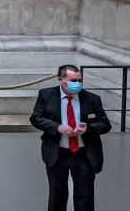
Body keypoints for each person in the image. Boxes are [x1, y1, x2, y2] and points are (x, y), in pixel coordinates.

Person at [30, 64, 111, 211]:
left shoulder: (92, 99)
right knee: (57, 196)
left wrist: (88, 128)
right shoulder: (46, 95)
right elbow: (36, 118)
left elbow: (105, 124)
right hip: (58, 153)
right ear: (61, 79)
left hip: (84, 154)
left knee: (85, 197)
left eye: (80, 80)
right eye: (73, 80)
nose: (78, 84)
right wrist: (57, 127)